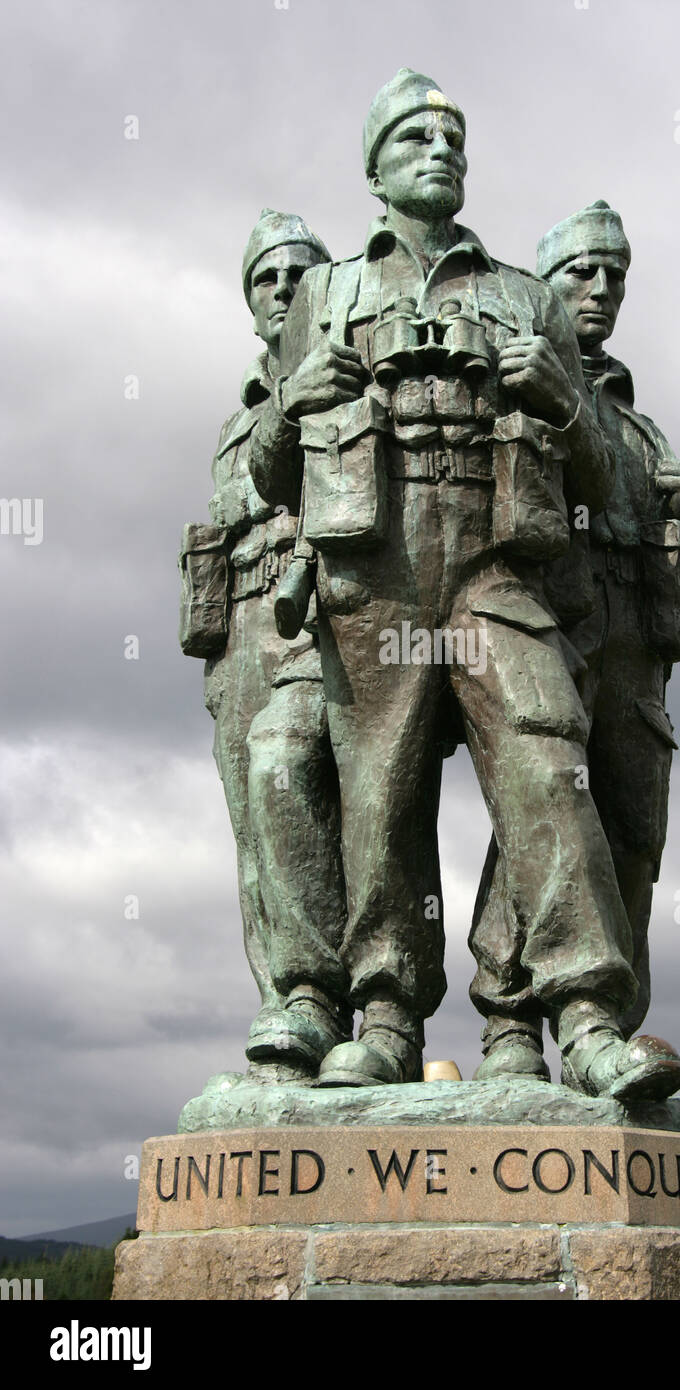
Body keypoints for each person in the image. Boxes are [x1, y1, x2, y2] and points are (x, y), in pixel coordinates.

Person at [250, 71, 680, 1102]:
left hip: (495, 566)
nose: (436, 151)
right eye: (411, 136)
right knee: (379, 794)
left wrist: (562, 405)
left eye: (450, 136)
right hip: (377, 571)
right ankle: (386, 1012)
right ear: (374, 166)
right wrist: (291, 404)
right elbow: (269, 472)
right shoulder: (325, 294)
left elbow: (590, 476)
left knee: (547, 765)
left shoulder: (522, 297)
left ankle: (580, 1013)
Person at [469, 201, 680, 1066]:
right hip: (554, 625)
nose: (602, 289)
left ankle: (610, 1031)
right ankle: (511, 1019)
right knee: (541, 811)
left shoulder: (647, 434)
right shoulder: (515, 379)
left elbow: (677, 587)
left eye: (616, 274)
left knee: (634, 833)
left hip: (636, 652)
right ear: (544, 284)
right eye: (581, 271)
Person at [180, 210, 351, 1074]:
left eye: (298, 274)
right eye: (266, 278)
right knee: (254, 836)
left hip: (320, 613)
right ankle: (284, 1019)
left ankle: (331, 997)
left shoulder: (346, 378)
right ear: (251, 303)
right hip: (240, 625)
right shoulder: (235, 419)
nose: (283, 289)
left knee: (295, 778)